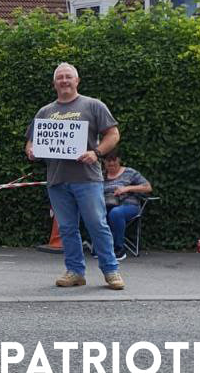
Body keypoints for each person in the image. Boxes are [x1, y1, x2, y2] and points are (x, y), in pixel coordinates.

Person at [25, 62, 125, 290]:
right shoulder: (45, 112)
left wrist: (96, 153)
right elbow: (31, 141)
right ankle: (75, 272)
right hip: (57, 180)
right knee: (67, 228)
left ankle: (111, 271)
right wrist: (31, 151)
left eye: (68, 77)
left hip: (87, 178)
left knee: (97, 225)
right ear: (54, 84)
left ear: (77, 81)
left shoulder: (93, 105)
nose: (64, 81)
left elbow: (113, 133)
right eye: (60, 77)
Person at [102, 150, 152, 260]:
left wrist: (127, 188)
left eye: (114, 161)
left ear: (119, 159)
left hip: (129, 205)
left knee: (116, 213)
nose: (111, 164)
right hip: (107, 204)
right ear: (104, 162)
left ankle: (119, 249)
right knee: (96, 213)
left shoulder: (129, 172)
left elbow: (148, 187)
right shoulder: (101, 175)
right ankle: (102, 248)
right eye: (108, 161)